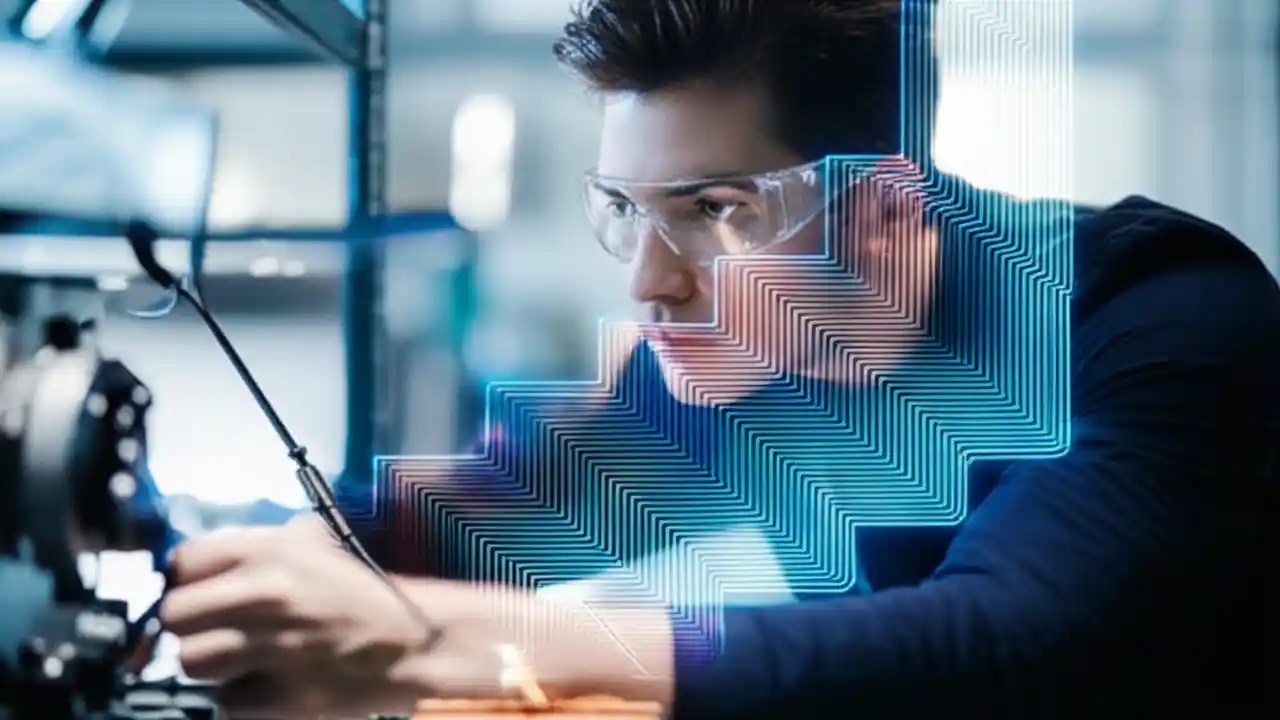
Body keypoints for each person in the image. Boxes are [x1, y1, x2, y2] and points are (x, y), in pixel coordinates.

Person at [159, 1, 1280, 717]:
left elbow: (1002, 646)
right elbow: (464, 517)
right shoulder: (720, 361)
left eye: (712, 209)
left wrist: (416, 641)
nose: (647, 279)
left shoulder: (1160, 317)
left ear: (882, 204)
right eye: (623, 209)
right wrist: (239, 558)